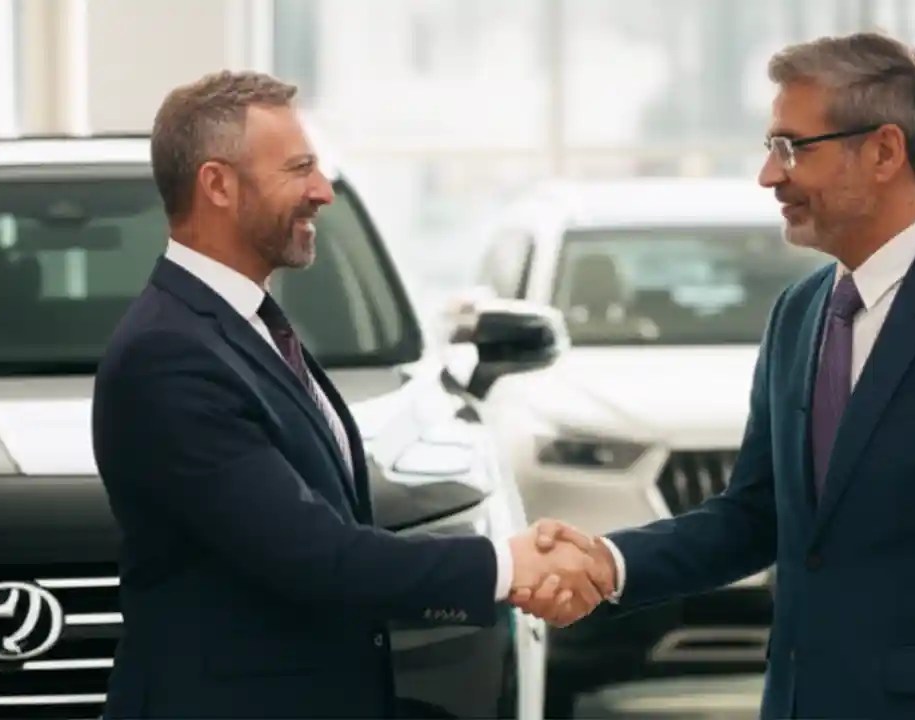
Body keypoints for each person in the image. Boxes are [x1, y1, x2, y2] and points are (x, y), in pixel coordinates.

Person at [520, 31, 915, 719]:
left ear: (885, 151)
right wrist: (606, 562)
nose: (770, 176)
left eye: (791, 147)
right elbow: (751, 516)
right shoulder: (799, 314)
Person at [91, 71, 608, 719]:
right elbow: (315, 556)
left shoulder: (244, 327)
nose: (322, 191)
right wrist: (507, 566)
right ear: (218, 184)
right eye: (300, 168)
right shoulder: (170, 357)